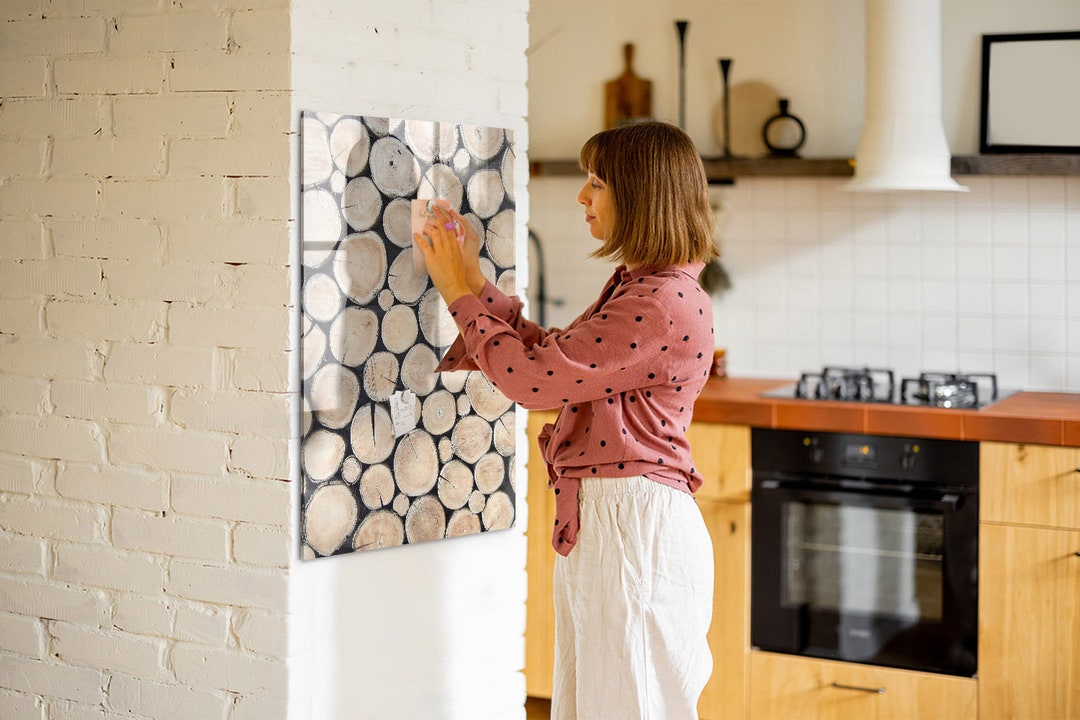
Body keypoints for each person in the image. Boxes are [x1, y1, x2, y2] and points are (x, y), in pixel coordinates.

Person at [415, 121, 717, 720]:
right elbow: (556, 357)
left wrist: (456, 292)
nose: (583, 196)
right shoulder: (642, 287)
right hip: (616, 521)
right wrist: (473, 282)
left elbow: (535, 381)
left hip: (633, 527)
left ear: (641, 195)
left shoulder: (660, 302)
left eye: (597, 183)